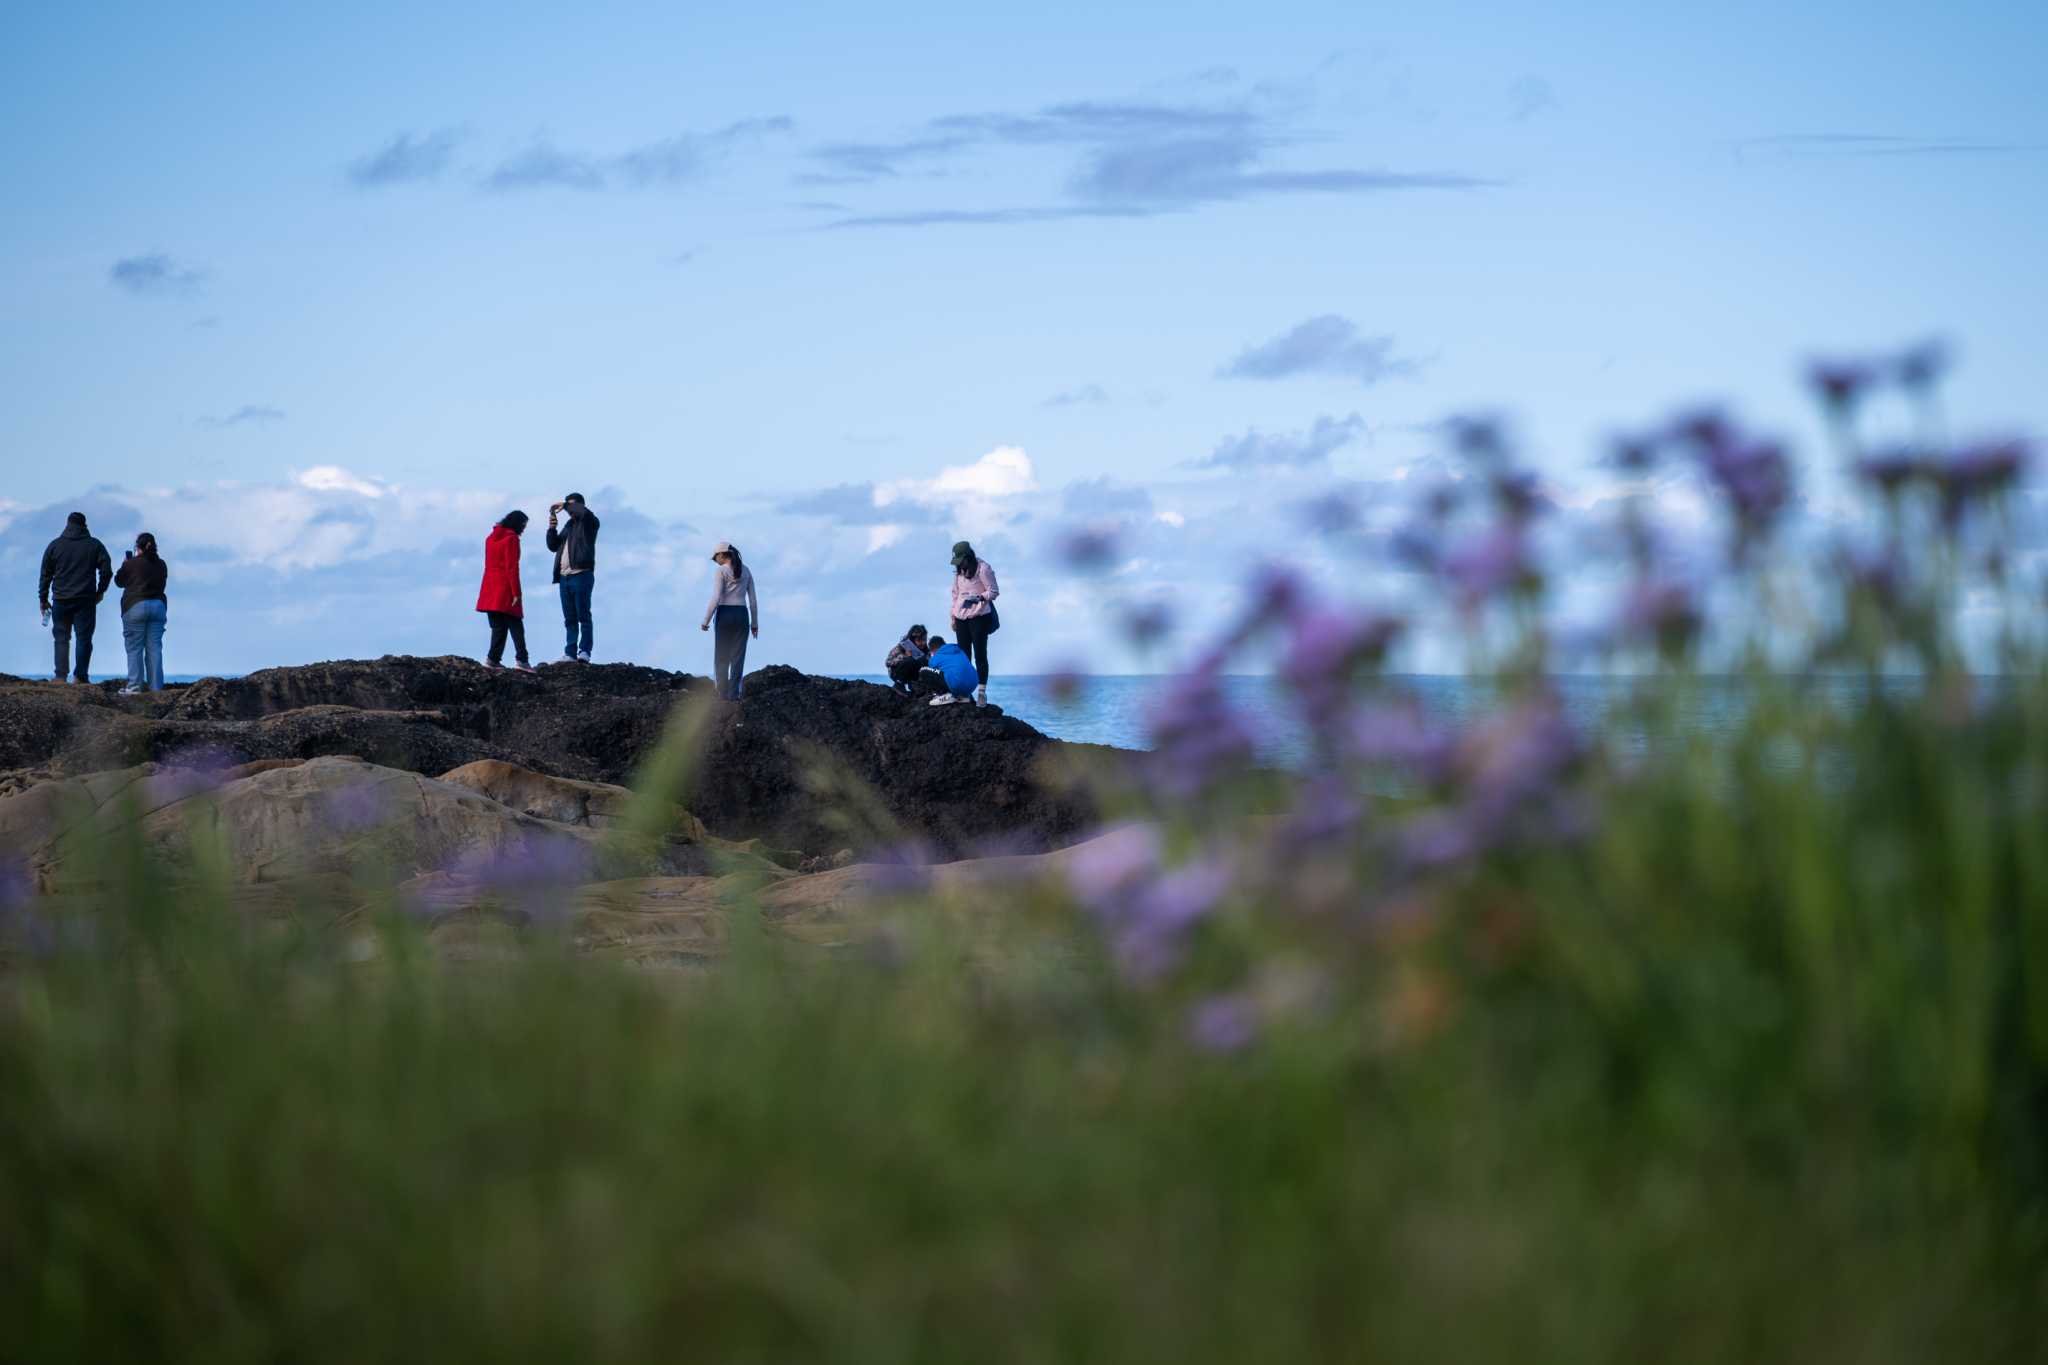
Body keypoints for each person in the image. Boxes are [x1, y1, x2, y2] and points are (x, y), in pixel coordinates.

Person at [37, 511, 112, 684]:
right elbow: (106, 570)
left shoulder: (55, 546)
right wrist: (100, 591)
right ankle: (80, 676)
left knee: (61, 637)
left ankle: (60, 676)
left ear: (67, 524)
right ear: (84, 525)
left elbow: (45, 575)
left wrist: (43, 599)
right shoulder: (94, 545)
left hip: (60, 600)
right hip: (85, 600)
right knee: (84, 639)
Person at [699, 541, 759, 701]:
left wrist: (706, 620)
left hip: (725, 614)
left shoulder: (721, 572)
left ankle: (722, 695)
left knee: (721, 656)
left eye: (715, 557)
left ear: (721, 555)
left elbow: (716, 597)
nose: (715, 560)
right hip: (742, 615)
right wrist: (754, 624)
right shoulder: (746, 570)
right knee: (738, 657)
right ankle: (734, 695)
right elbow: (753, 600)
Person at [545, 492, 600, 662]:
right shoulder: (569, 525)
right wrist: (552, 529)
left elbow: (582, 511)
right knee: (569, 618)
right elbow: (553, 546)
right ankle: (570, 653)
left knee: (583, 615)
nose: (569, 509)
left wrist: (564, 504)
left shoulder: (590, 521)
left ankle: (584, 652)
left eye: (572, 505)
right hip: (564, 577)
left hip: (581, 574)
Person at [476, 511, 533, 671]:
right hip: (505, 588)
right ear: (517, 524)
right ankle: (522, 660)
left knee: (498, 627)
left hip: (489, 588)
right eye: (523, 525)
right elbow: (512, 568)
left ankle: (492, 659)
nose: (524, 529)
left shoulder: (490, 539)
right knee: (516, 625)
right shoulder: (511, 539)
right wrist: (516, 593)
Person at [946, 540, 1000, 707]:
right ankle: (965, 692)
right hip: (961, 616)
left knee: (980, 655)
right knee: (963, 656)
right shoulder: (958, 573)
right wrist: (953, 617)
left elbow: (994, 591)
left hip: (979, 616)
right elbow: (955, 595)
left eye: (961, 560)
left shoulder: (983, 569)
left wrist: (980, 597)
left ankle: (982, 693)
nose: (959, 565)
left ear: (968, 557)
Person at [114, 531, 169, 694]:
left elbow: (119, 582)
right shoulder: (162, 564)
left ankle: (134, 686)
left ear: (138, 547)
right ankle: (156, 687)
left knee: (134, 647)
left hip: (135, 606)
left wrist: (126, 563)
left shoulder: (131, 564)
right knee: (154, 648)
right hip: (158, 606)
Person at [922, 633, 981, 707]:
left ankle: (947, 695)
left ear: (933, 650)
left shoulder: (937, 656)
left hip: (957, 685)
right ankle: (963, 697)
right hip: (973, 685)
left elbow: (933, 670)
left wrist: (930, 659)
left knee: (923, 671)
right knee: (951, 671)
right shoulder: (959, 650)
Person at [885, 623, 930, 694]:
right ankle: (899, 685)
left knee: (924, 661)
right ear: (912, 640)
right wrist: (905, 656)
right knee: (910, 660)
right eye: (919, 640)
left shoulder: (926, 651)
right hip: (896, 673)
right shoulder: (901, 647)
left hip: (913, 676)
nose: (923, 643)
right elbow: (888, 662)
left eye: (924, 640)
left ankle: (915, 686)